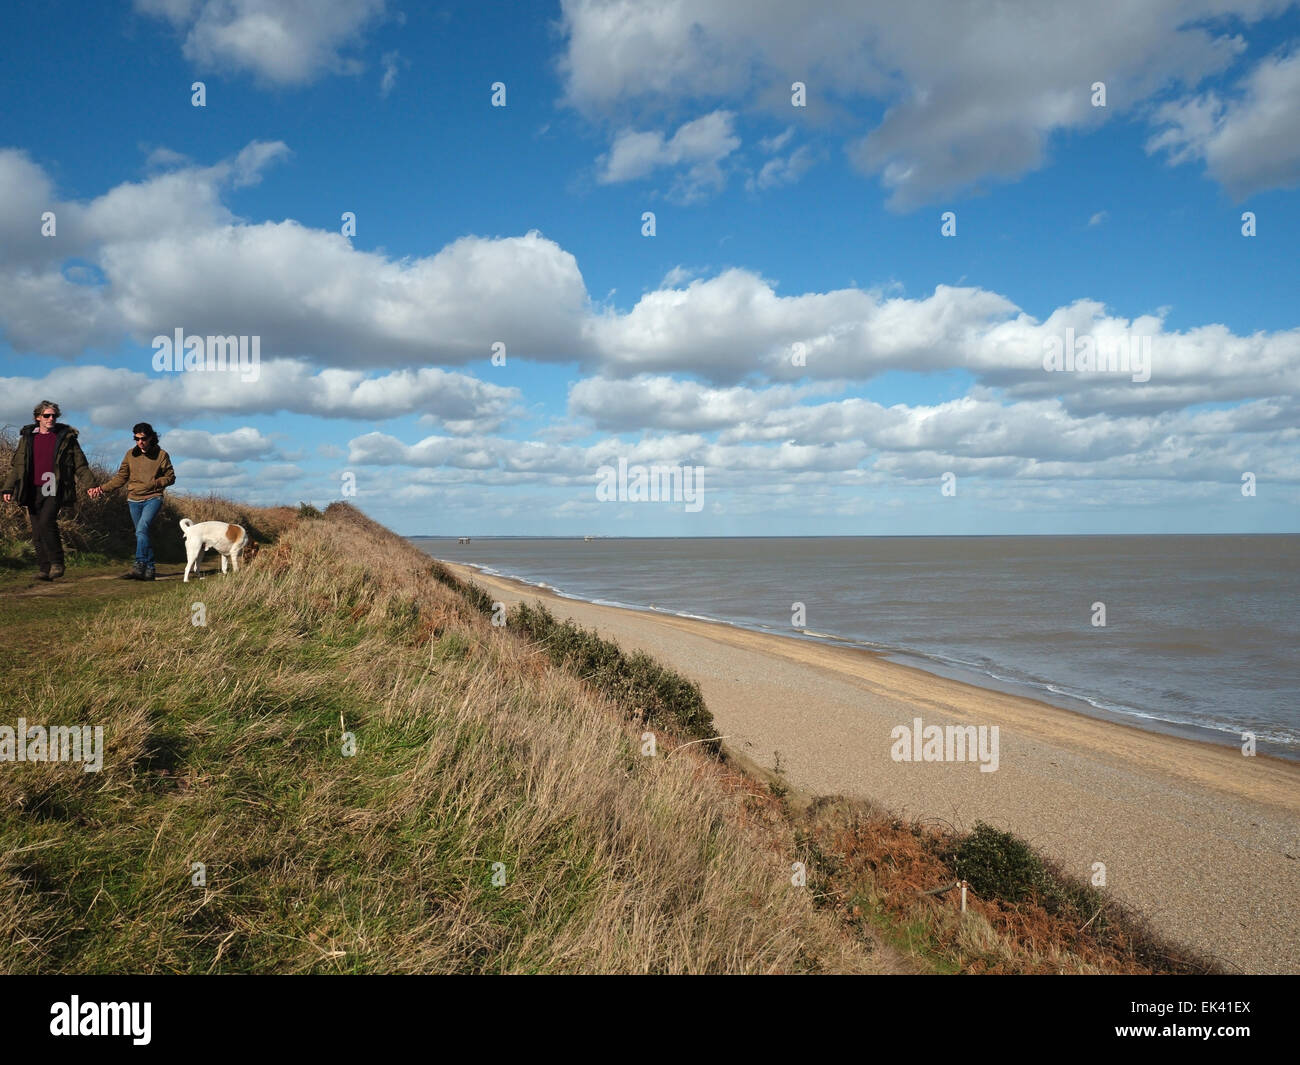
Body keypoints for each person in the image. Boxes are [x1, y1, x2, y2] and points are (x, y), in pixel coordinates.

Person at [2, 400, 98, 581]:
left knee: (47, 522)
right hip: (31, 488)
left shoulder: (66, 438)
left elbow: (81, 465)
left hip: (53, 485)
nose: (51, 418)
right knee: (37, 529)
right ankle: (44, 569)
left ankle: (57, 563)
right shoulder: (28, 438)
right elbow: (17, 467)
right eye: (47, 415)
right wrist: (8, 488)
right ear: (38, 417)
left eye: (54, 415)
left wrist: (91, 485)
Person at [88, 423, 175, 581]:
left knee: (142, 529)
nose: (140, 442)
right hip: (133, 499)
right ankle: (150, 569)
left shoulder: (161, 455)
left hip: (153, 498)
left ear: (151, 438)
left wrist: (155, 483)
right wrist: (101, 489)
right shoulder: (130, 455)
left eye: (143, 438)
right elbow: (121, 478)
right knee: (142, 533)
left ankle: (139, 564)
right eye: (136, 438)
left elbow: (171, 477)